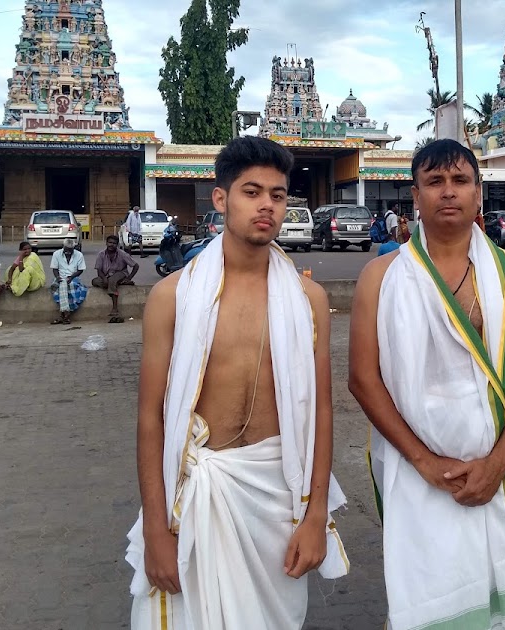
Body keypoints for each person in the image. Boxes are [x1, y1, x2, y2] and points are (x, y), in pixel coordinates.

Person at [349, 139, 505, 629]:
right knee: (432, 601)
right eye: (435, 182)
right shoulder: (381, 277)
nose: (448, 192)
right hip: (420, 473)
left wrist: (498, 462)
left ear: (478, 192)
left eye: (460, 180)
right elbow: (363, 380)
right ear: (416, 195)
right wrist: (424, 461)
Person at [126, 136, 348, 629]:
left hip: (277, 502)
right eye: (252, 192)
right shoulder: (173, 297)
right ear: (221, 199)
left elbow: (321, 410)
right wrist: (157, 531)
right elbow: (151, 419)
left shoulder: (308, 300)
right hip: (198, 501)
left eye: (277, 194)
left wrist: (315, 515)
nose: (267, 205)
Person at [93, 235, 139, 323]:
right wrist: (104, 278)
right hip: (106, 275)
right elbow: (99, 270)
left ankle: (115, 308)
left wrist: (129, 278)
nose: (111, 245)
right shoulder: (101, 254)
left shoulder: (122, 254)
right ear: (106, 243)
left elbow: (136, 266)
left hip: (120, 273)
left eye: (114, 243)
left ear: (117, 245)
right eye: (110, 242)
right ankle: (120, 283)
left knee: (112, 281)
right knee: (95, 281)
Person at [50, 238, 87, 325]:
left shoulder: (79, 255)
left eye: (70, 250)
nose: (68, 252)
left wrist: (72, 277)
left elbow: (80, 270)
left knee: (71, 286)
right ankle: (66, 314)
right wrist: (58, 277)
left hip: (73, 277)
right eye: (66, 250)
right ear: (63, 247)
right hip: (60, 277)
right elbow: (55, 269)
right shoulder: (56, 254)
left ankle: (63, 314)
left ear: (74, 248)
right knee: (60, 286)